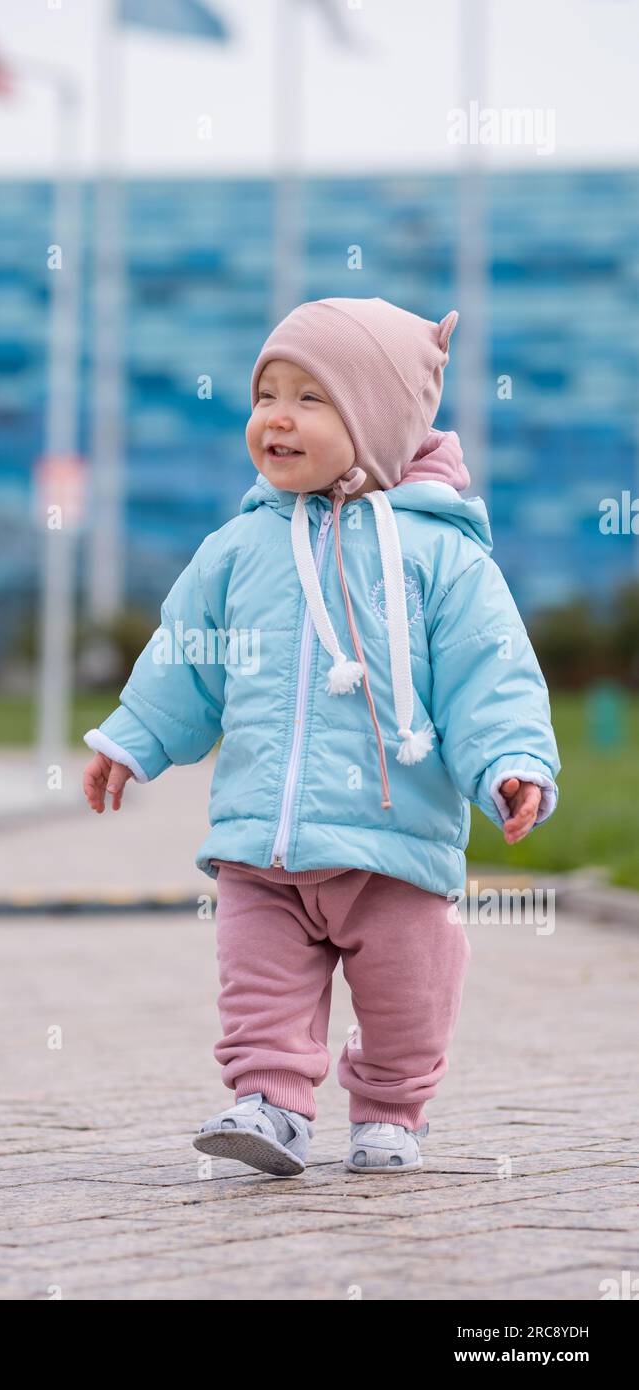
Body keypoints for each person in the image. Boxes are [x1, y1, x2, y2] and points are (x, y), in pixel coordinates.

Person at [81, 297, 560, 1178]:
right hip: (262, 844)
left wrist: (511, 762)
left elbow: (489, 675)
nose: (278, 418)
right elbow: (186, 655)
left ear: (376, 422)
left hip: (394, 844)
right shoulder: (236, 549)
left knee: (409, 996)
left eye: (312, 398)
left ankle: (391, 1110)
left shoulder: (443, 559)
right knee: (258, 986)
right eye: (267, 395)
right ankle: (270, 1105)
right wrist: (132, 735)